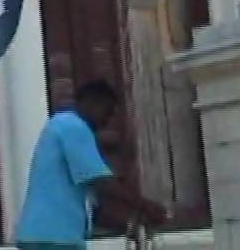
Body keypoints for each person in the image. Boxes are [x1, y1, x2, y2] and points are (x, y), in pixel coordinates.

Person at [15, 80, 169, 250]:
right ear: (93, 103)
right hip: (54, 239)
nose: (107, 122)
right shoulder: (73, 126)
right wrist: (146, 206)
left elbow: (94, 207)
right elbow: (101, 182)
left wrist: (129, 222)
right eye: (108, 113)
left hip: (43, 236)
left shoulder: (60, 125)